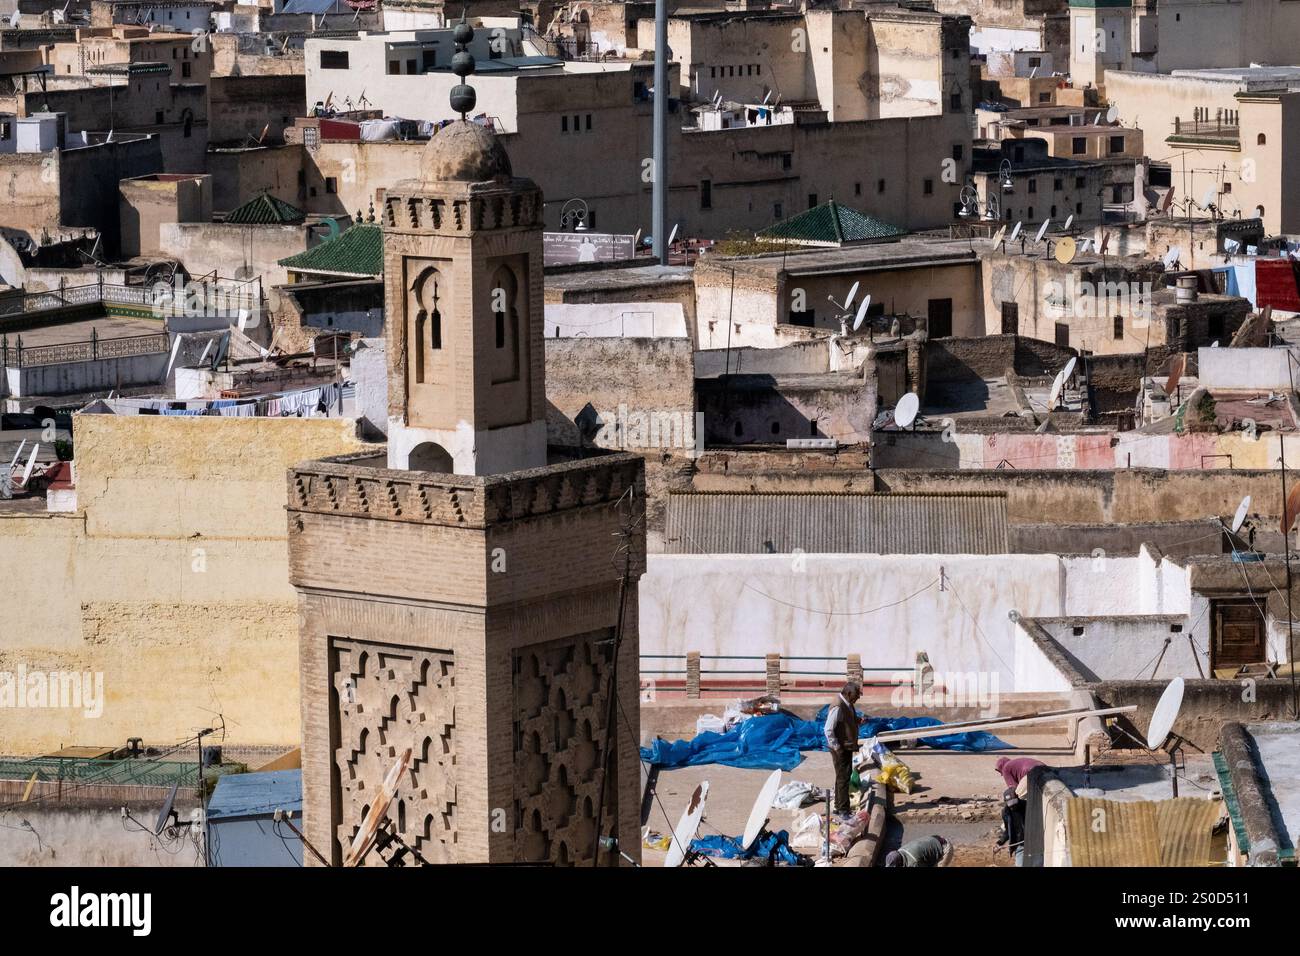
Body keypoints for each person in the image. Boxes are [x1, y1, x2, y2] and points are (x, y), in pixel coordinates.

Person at [824, 681, 862, 818]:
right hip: (840, 748)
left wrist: (857, 721)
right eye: (856, 696)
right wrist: (837, 747)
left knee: (842, 776)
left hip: (845, 746)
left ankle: (838, 806)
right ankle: (843, 811)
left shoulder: (847, 704)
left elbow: (847, 720)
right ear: (849, 693)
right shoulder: (838, 706)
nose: (857, 698)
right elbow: (828, 730)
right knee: (844, 778)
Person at [996, 787, 1026, 866]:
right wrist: (1000, 842)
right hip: (1019, 846)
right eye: (1010, 805)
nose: (1013, 807)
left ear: (1017, 797)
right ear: (1006, 802)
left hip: (1032, 843)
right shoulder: (1005, 813)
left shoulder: (1027, 806)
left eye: (1014, 803)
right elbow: (1008, 831)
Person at [884, 835, 952, 868]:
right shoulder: (900, 851)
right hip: (934, 840)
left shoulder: (914, 862)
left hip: (944, 848)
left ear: (899, 863)